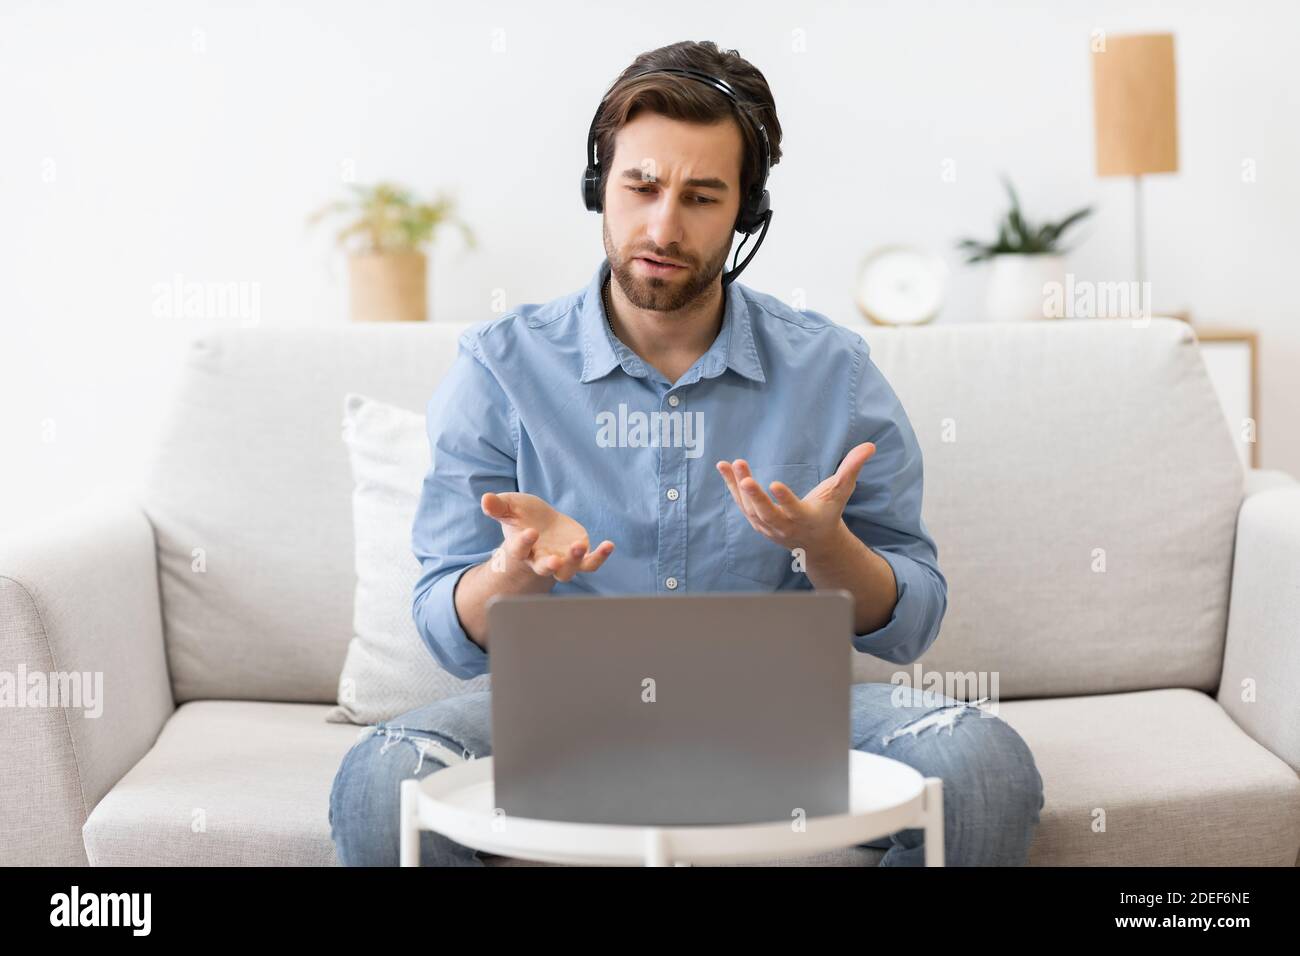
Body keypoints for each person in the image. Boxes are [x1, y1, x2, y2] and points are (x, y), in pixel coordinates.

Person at [330, 39, 1043, 867]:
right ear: (599, 187)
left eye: (702, 197)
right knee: (384, 780)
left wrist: (827, 547)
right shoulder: (498, 366)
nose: (664, 227)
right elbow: (442, 631)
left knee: (982, 765)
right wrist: (514, 570)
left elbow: (910, 622)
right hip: (552, 714)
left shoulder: (833, 371)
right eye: (640, 187)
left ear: (746, 213)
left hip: (782, 713)